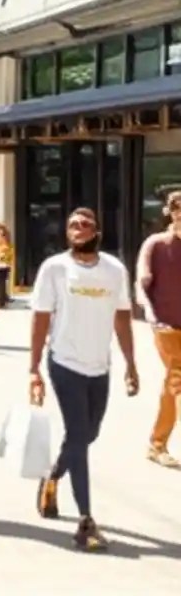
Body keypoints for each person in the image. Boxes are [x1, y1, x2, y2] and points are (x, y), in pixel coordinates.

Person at [32, 207, 138, 550]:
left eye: (85, 224)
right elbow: (40, 318)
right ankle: (86, 520)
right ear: (67, 234)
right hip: (64, 363)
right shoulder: (55, 268)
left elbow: (122, 317)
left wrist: (130, 363)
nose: (79, 229)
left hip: (99, 367)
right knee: (79, 434)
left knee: (87, 435)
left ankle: (53, 476)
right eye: (73, 225)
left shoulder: (114, 270)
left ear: (97, 231)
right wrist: (34, 369)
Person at [138, 191, 181, 468]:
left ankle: (157, 443)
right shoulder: (155, 244)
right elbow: (141, 283)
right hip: (166, 327)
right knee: (176, 379)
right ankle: (157, 444)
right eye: (176, 208)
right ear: (170, 212)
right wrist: (151, 315)